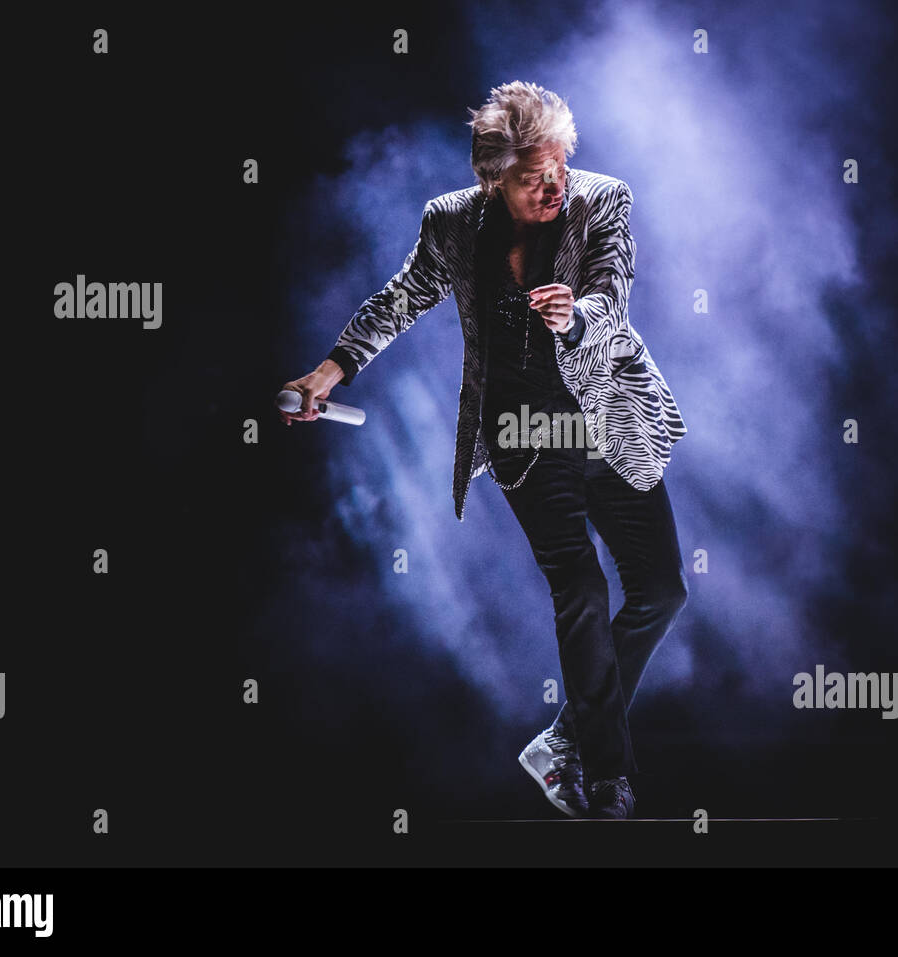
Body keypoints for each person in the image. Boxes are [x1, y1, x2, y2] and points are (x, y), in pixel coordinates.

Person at [280, 81, 688, 819]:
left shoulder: (604, 200)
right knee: (582, 589)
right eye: (534, 178)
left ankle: (564, 739)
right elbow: (400, 298)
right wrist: (329, 369)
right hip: (524, 432)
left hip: (605, 418)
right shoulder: (452, 224)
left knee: (662, 588)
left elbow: (611, 295)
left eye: (560, 164)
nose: (553, 183)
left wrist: (575, 317)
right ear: (492, 179)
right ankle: (606, 778)